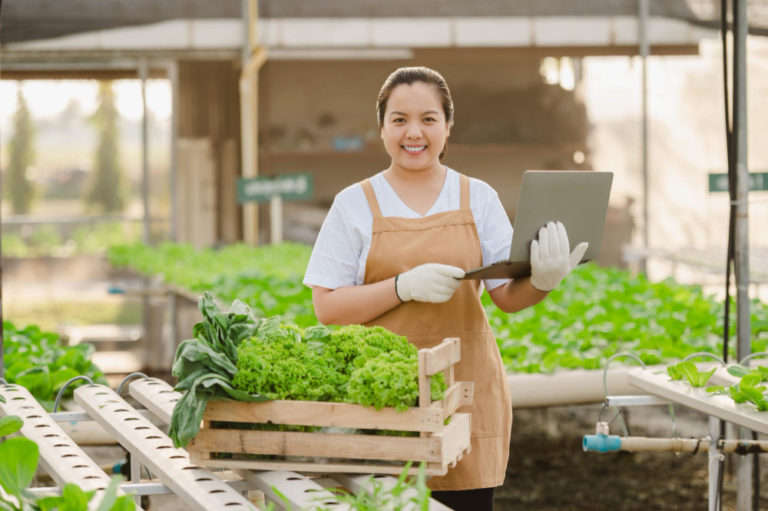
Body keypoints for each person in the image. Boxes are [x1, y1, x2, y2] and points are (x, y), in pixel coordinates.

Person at [303, 66, 586, 511]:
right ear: (381, 128)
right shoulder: (353, 204)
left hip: (465, 396)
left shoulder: (479, 198)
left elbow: (507, 297)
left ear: (448, 126)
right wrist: (400, 287)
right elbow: (327, 307)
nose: (414, 132)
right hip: (380, 403)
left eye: (428, 119)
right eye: (399, 120)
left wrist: (543, 282)